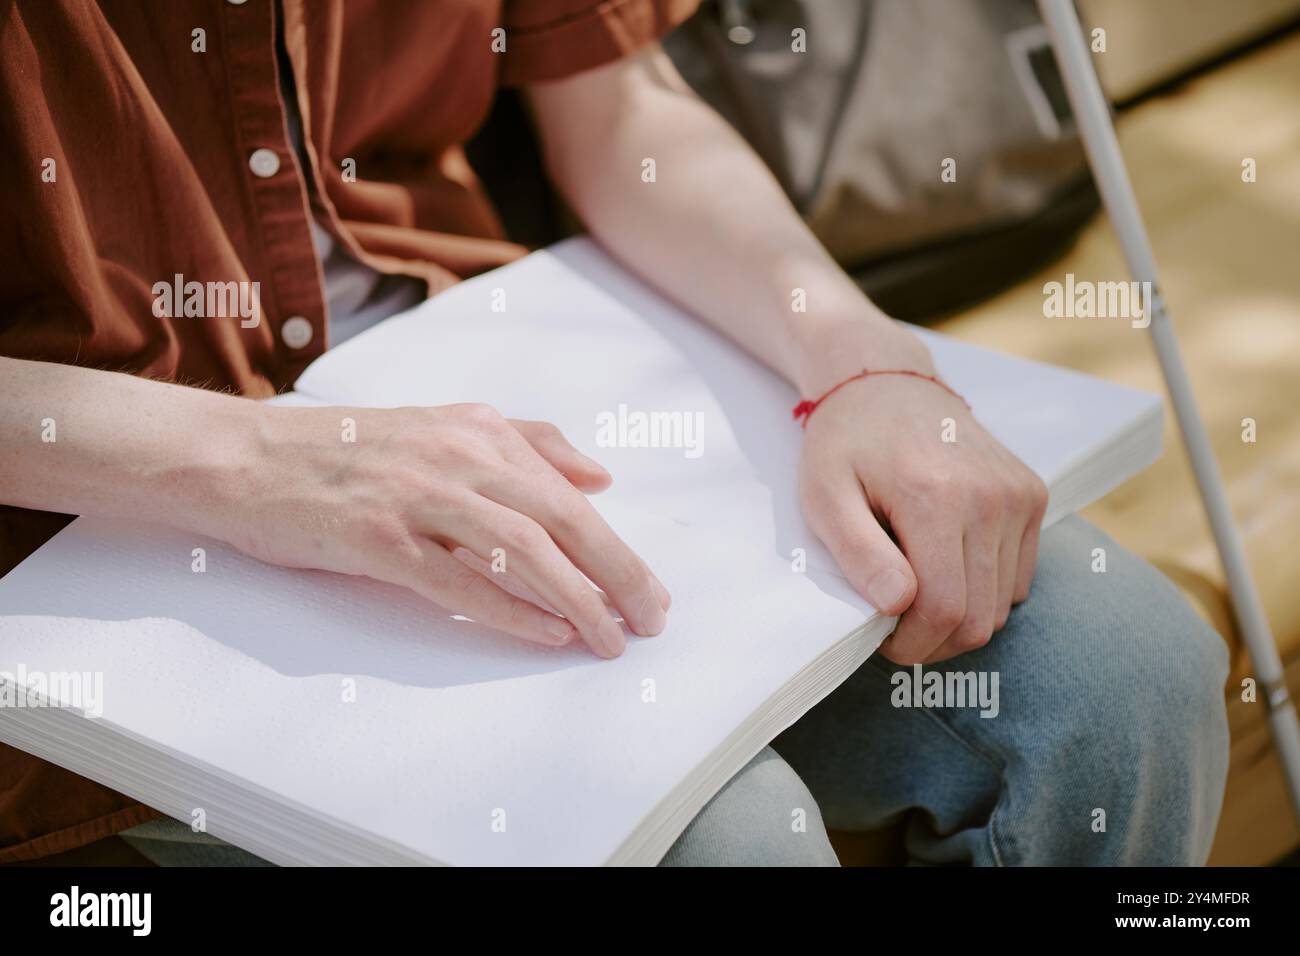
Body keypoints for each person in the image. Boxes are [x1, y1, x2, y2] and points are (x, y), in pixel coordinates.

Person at [0, 0, 1228, 866]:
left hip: (498, 369)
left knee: (1121, 673)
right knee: (732, 843)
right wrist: (271, 461)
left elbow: (622, 103)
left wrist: (857, 362)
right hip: (94, 521)